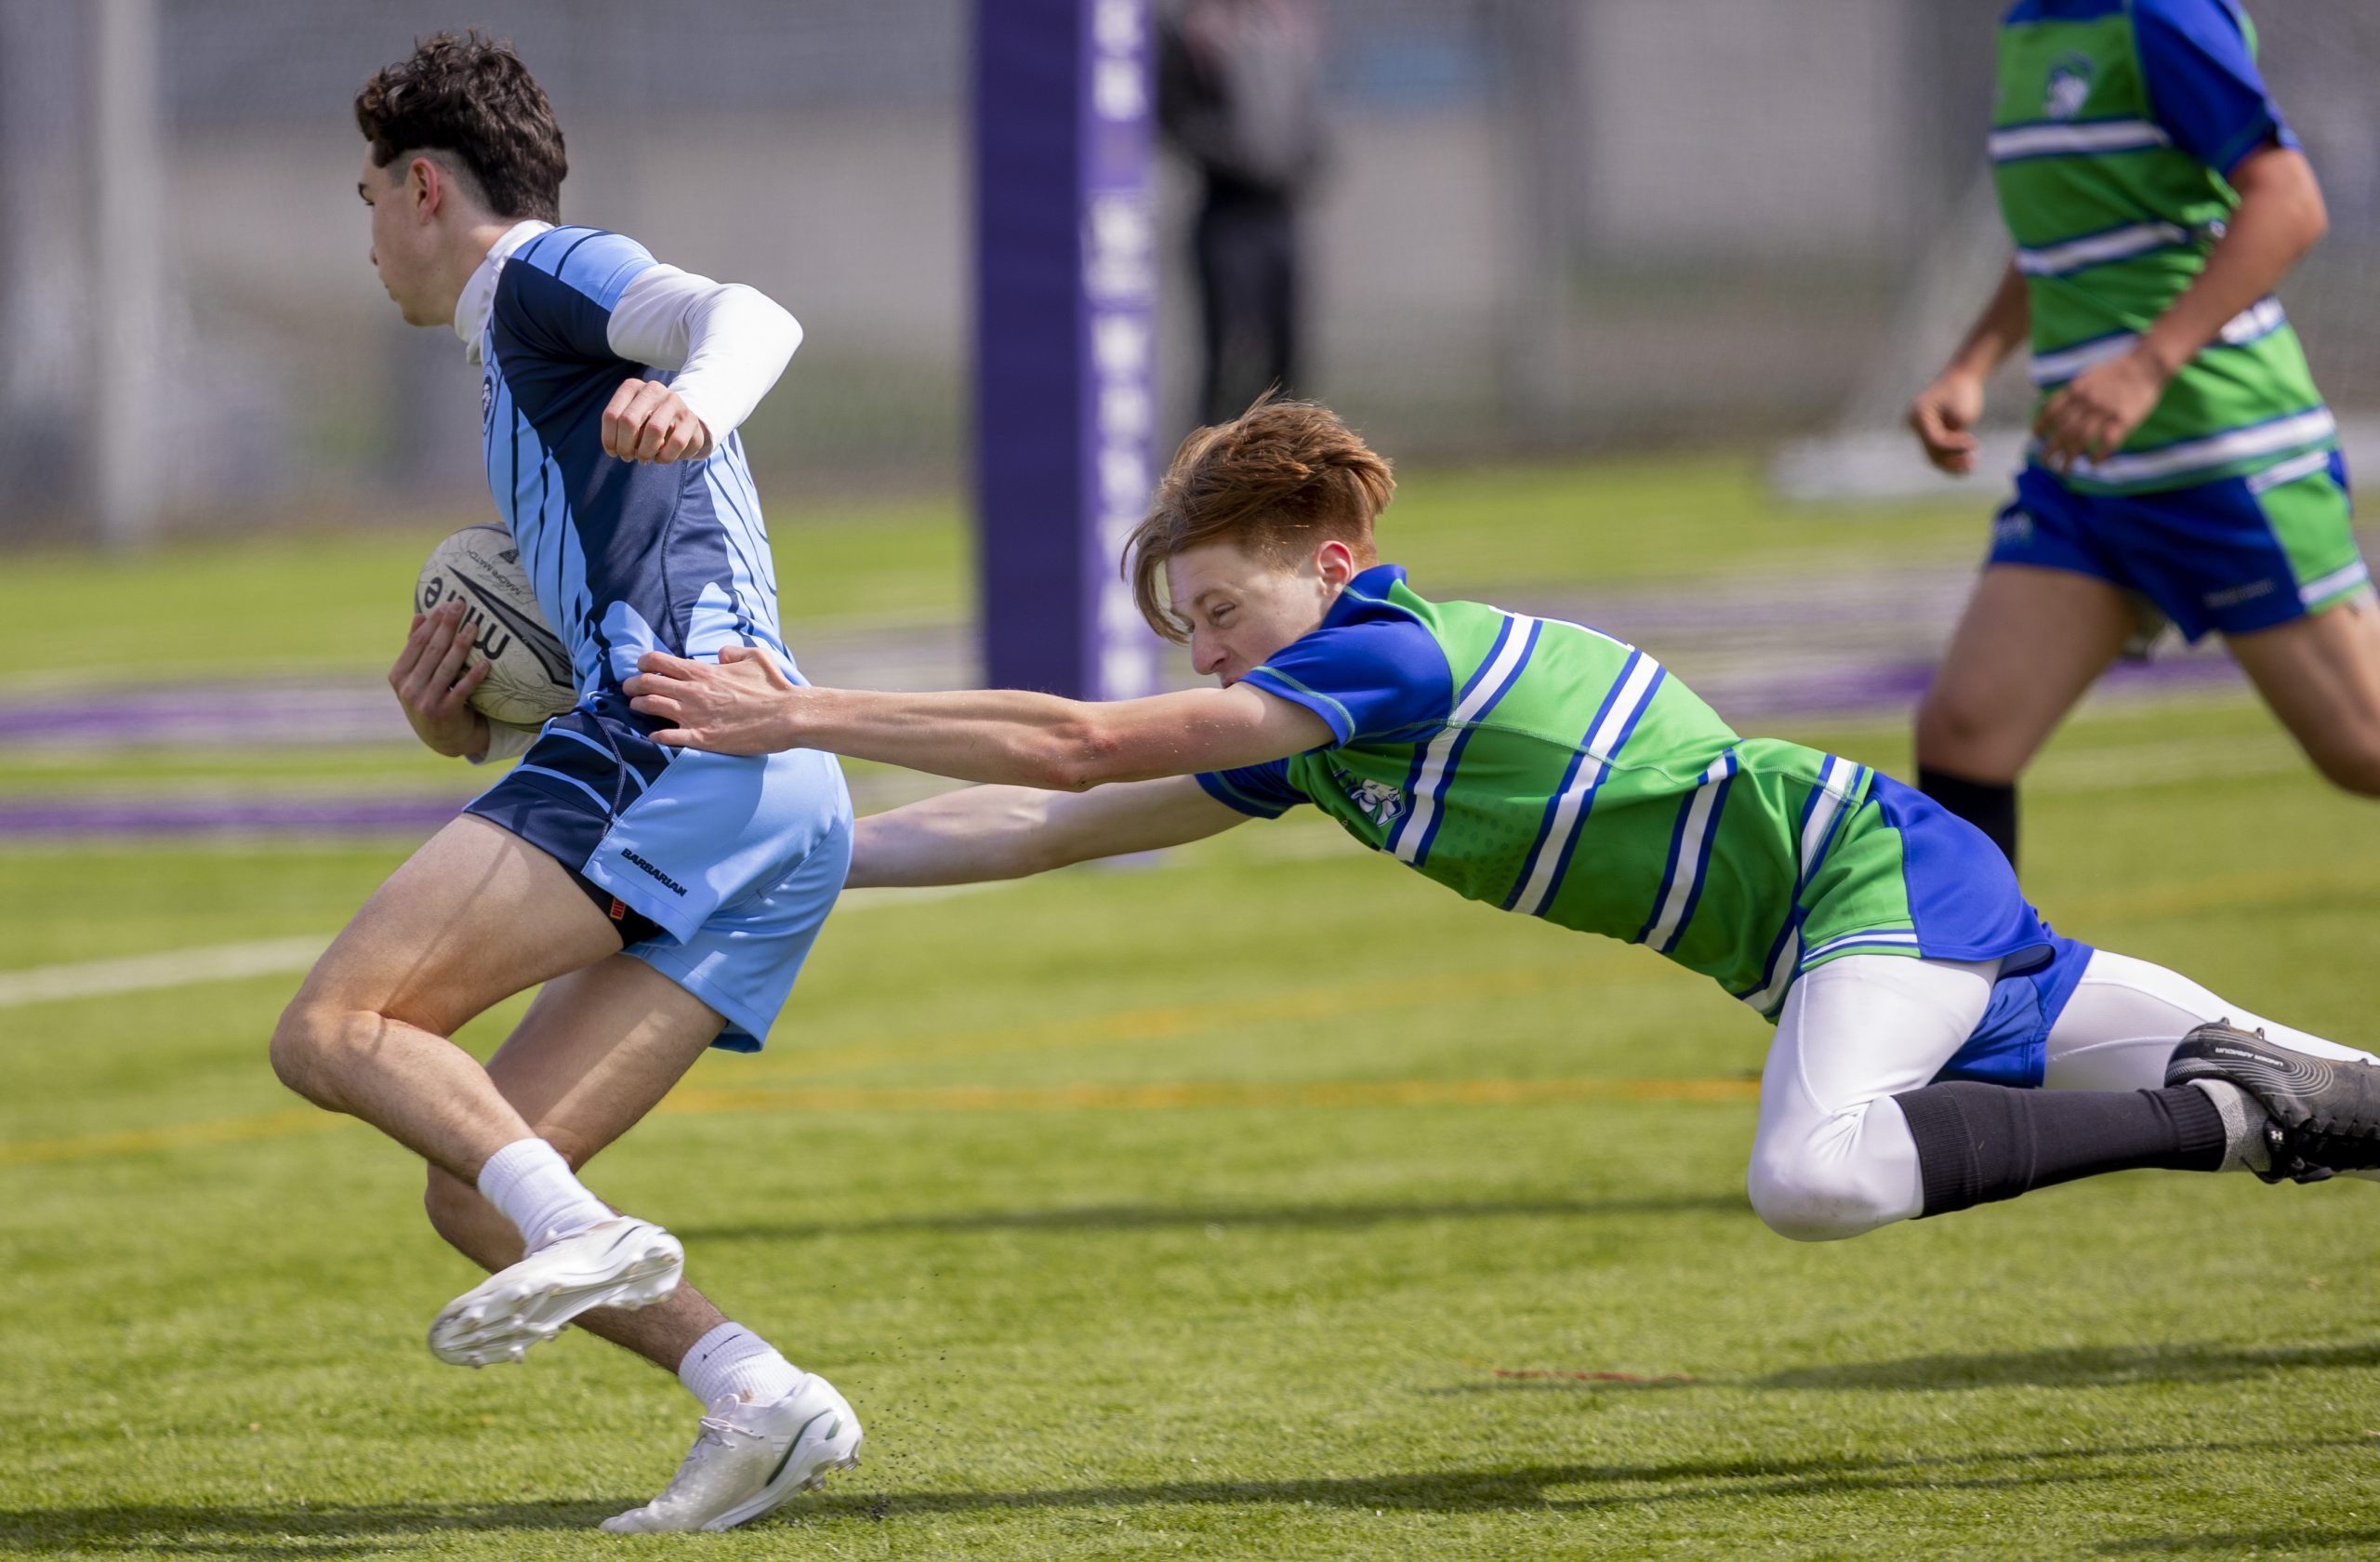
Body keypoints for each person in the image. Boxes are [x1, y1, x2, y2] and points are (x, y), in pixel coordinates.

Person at [626, 398, 2380, 1251]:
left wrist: (798, 711)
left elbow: (1082, 750)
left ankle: (2212, 1128)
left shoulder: (1383, 656)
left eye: (1222, 610)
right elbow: (1030, 830)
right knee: (2357, 1095)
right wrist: (794, 844)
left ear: (1326, 563)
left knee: (1818, 1175)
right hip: (1848, 923)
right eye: (1188, 632)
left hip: (1869, 886)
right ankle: (2265, 1102)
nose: (1207, 647)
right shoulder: (1316, 736)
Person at [269, 33, 860, 1534]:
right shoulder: (525, 364)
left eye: (362, 199)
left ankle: (590, 1236)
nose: (367, 239)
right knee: (480, 1183)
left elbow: (749, 312)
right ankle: (757, 1393)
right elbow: (619, 583)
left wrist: (704, 397)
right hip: (777, 789)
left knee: (339, 1027)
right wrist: (467, 725)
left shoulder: (537, 274)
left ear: (422, 186)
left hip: (679, 745)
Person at [1907, 0, 2379, 868]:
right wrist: (1970, 366)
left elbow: (2290, 199)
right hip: (2086, 469)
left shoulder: (2158, 15)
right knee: (1965, 729)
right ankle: (1976, 1000)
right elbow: (2059, 234)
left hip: (2222, 455)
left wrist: (2144, 366)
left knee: (2363, 749)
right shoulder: (2030, 26)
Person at [1158, 0, 1329, 426]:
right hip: (1227, 213)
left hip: (1280, 213)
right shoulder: (1193, 33)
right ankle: (1210, 472)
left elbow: (1307, 113)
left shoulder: (1285, 29)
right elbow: (1178, 118)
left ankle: (1289, 464)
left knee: (1286, 346)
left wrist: (1303, 160)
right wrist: (1248, 163)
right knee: (1227, 347)